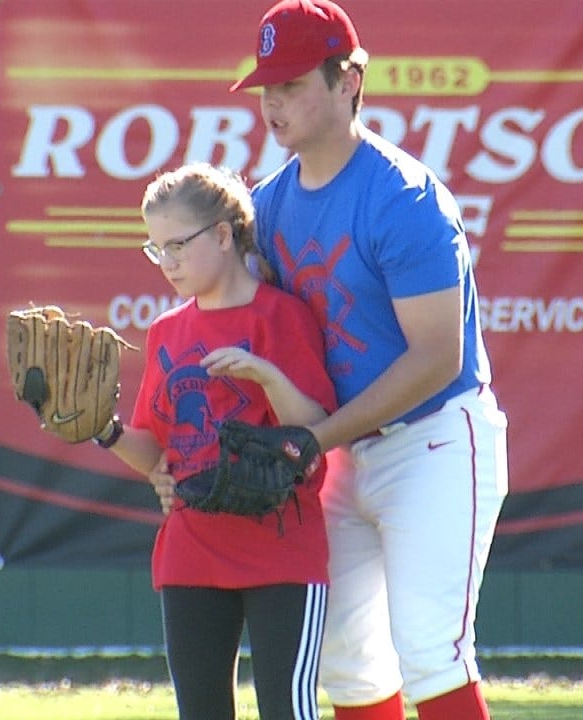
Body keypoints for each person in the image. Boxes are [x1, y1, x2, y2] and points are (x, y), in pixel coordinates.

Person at [225, 1, 511, 718]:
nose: (272, 103)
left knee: (431, 652)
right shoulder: (269, 205)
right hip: (340, 454)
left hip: (436, 438)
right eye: (266, 86)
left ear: (350, 79)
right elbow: (238, 323)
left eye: (291, 84)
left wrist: (315, 438)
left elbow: (437, 358)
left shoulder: (403, 198)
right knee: (349, 667)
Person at [93, 162, 338, 720]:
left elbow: (317, 429)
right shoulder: (168, 330)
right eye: (156, 249)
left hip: (279, 543)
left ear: (224, 235)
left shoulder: (284, 316)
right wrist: (102, 431)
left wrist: (268, 375)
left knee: (289, 709)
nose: (168, 262)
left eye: (177, 244)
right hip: (191, 546)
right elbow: (158, 453)